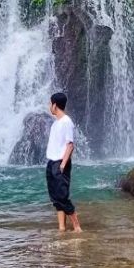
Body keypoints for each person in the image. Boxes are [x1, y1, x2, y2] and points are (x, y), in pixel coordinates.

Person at [45, 91, 82, 232]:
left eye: (50, 103)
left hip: (60, 163)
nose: (49, 106)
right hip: (52, 162)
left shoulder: (66, 122)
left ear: (55, 105)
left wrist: (62, 164)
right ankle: (61, 228)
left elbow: (70, 145)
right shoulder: (56, 124)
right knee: (56, 198)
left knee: (62, 196)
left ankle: (77, 227)